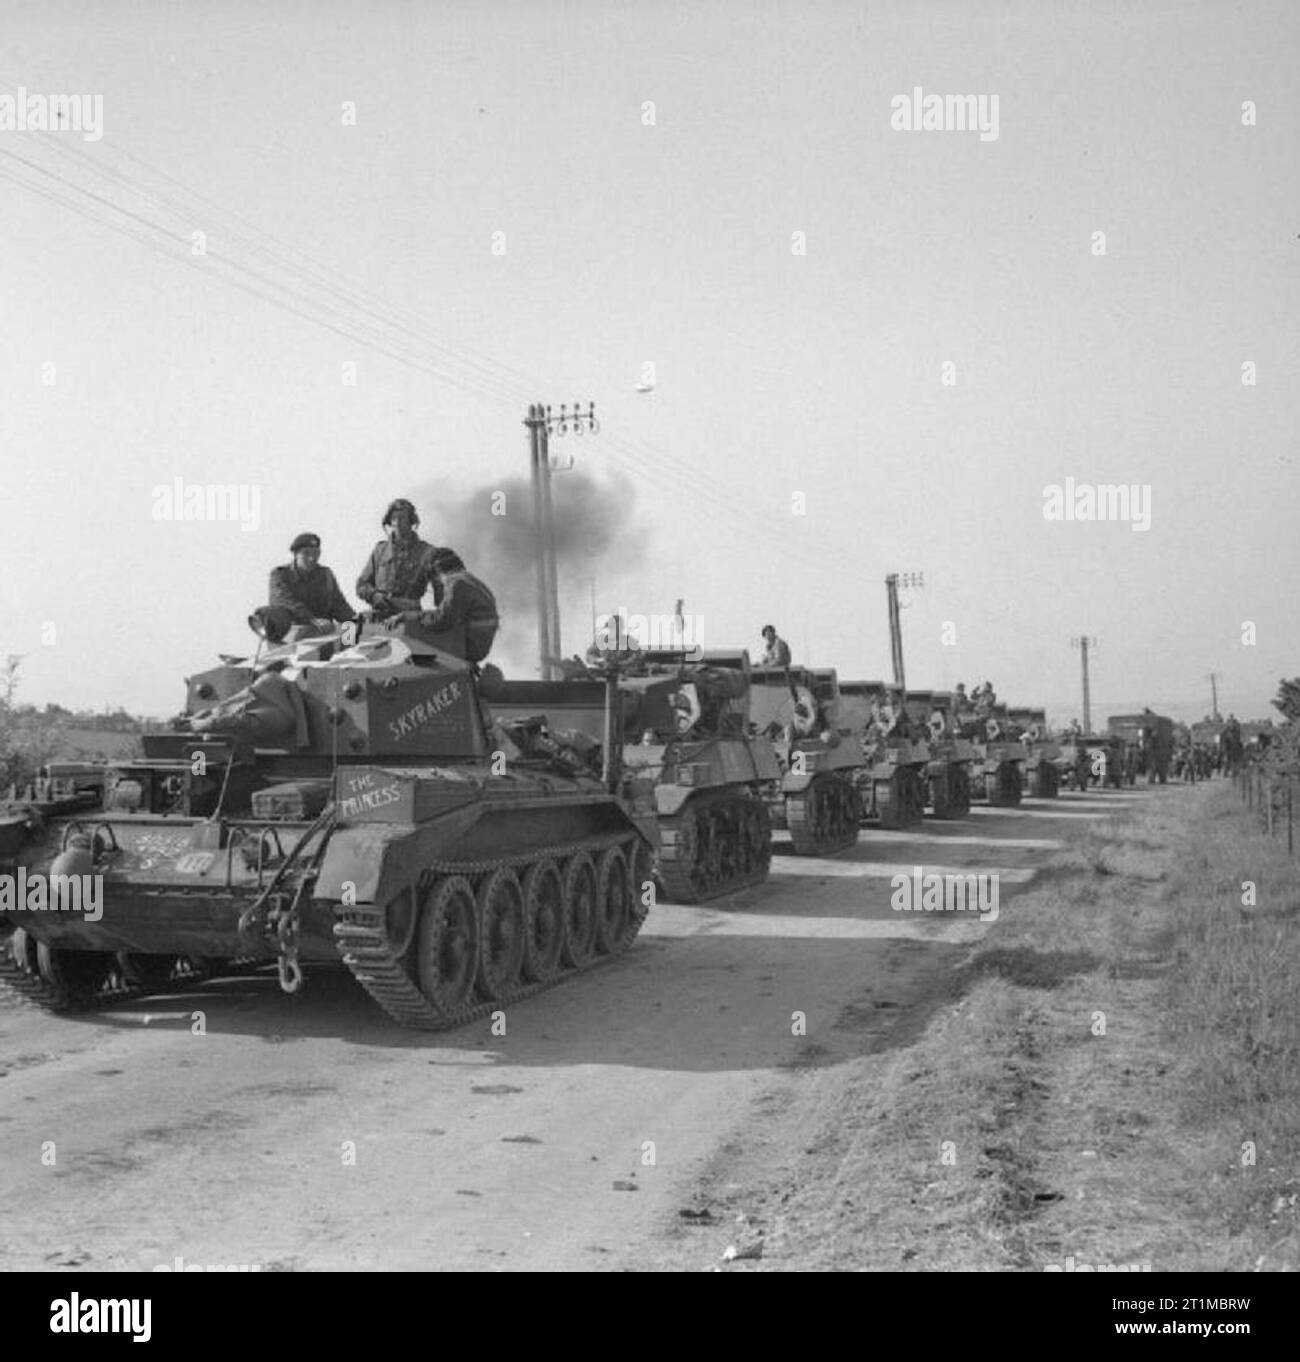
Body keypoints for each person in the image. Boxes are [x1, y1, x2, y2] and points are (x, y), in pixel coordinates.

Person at [388, 549, 499, 663]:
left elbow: (441, 620)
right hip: (479, 643)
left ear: (435, 571)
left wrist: (410, 617)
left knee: (411, 635)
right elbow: (446, 614)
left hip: (471, 646)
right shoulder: (468, 579)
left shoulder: (456, 584)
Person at [356, 498, 441, 621]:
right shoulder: (380, 551)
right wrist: (374, 596)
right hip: (379, 618)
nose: (397, 522)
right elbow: (361, 585)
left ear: (411, 521)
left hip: (409, 621)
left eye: (402, 518)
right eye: (394, 518)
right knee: (349, 632)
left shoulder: (427, 552)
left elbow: (442, 596)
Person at [267, 533, 356, 637]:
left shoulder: (325, 575)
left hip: (323, 637)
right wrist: (312, 619)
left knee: (354, 641)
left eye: (316, 554)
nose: (312, 558)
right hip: (290, 638)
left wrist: (355, 620)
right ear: (295, 554)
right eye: (306, 553)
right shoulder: (280, 575)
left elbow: (339, 605)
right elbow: (285, 601)